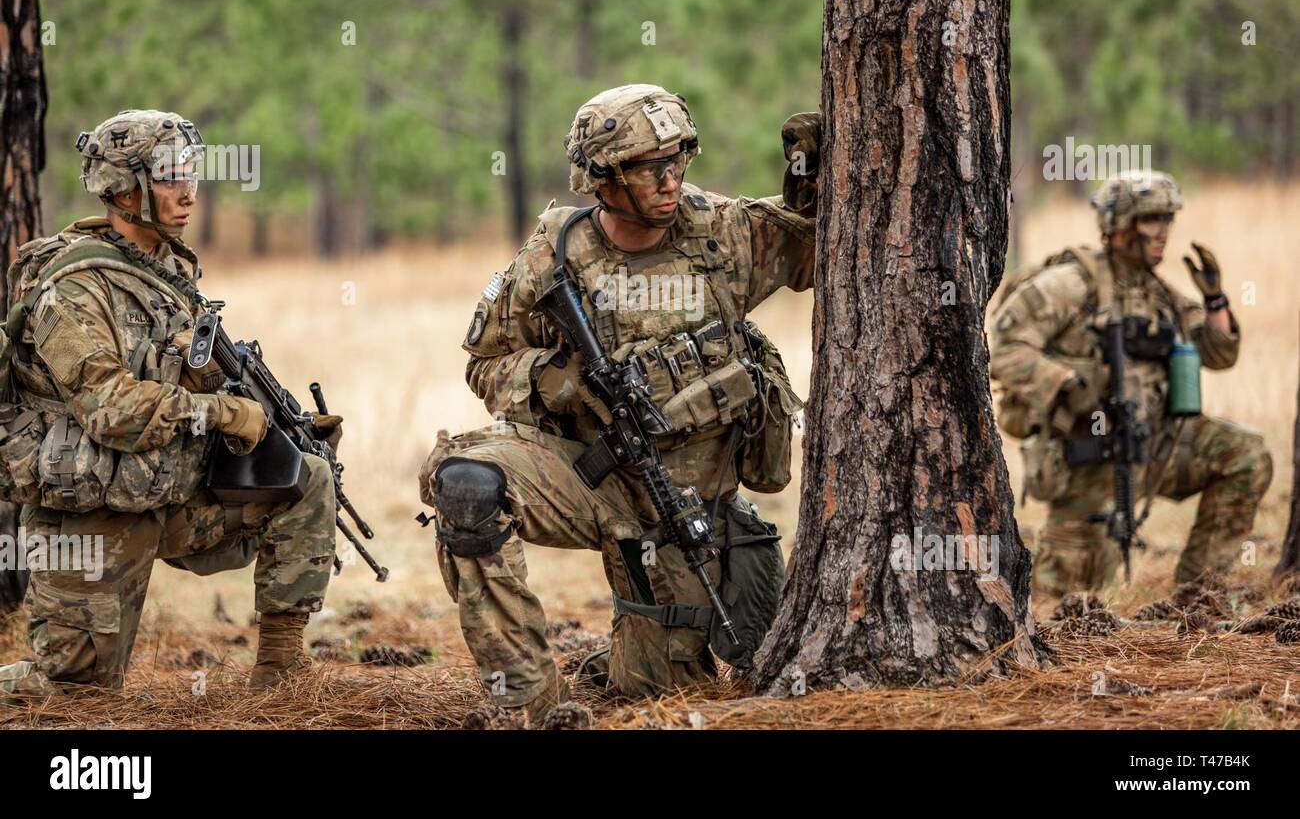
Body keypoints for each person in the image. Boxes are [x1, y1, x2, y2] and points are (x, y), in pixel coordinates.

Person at [418, 85, 821, 724]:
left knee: (659, 694)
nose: (670, 181)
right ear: (602, 178)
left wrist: (812, 169)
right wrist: (553, 379)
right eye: (649, 168)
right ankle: (528, 701)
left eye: (679, 160)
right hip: (585, 476)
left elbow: (823, 248)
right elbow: (484, 361)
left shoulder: (720, 234)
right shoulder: (555, 253)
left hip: (683, 512)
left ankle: (622, 654)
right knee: (467, 486)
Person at [0, 109, 339, 701]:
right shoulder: (74, 287)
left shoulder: (167, 268)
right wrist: (219, 415)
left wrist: (274, 423)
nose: (189, 192)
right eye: (170, 177)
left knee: (304, 478)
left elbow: (186, 372)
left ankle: (281, 671)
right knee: (71, 697)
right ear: (125, 188)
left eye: (192, 173)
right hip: (92, 516)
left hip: (169, 492)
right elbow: (109, 407)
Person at [989, 169, 1272, 597]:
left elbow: (1219, 354)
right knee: (1069, 597)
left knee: (1246, 455)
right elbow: (1005, 347)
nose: (1163, 232)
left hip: (1155, 445)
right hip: (1091, 456)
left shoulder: (1157, 292)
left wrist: (1215, 299)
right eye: (1151, 219)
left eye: (1167, 219)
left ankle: (1198, 593)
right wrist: (1070, 383)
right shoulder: (1071, 283)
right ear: (1120, 226)